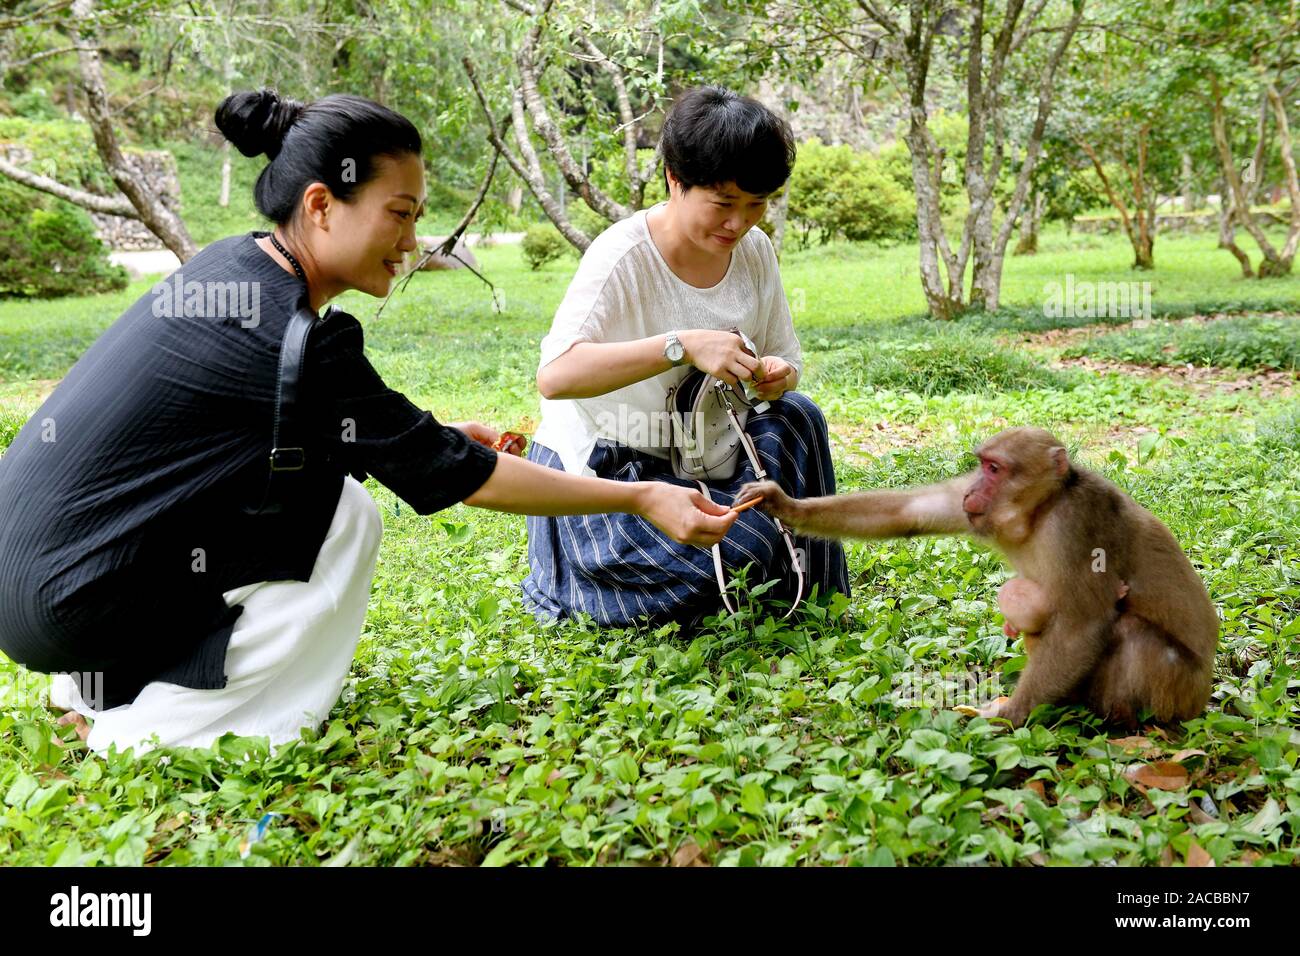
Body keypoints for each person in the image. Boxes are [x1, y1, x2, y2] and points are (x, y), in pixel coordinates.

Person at [0, 89, 737, 757]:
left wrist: (436, 437)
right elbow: (460, 479)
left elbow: (331, 435)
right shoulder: (303, 340)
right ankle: (145, 734)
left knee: (318, 492)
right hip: (70, 606)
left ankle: (95, 692)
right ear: (321, 206)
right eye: (400, 214)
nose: (413, 242)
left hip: (33, 590)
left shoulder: (227, 269)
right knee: (344, 521)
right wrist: (640, 497)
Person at [523, 85, 849, 625]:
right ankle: (580, 577)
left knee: (800, 418)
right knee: (737, 553)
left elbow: (785, 356)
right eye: (723, 203)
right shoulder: (622, 257)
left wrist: (777, 376)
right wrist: (681, 345)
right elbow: (556, 377)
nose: (738, 223)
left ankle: (813, 593)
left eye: (756, 204)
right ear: (675, 180)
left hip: (710, 454)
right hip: (617, 471)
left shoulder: (755, 251)